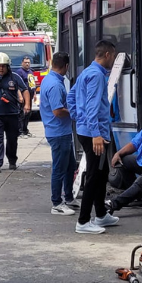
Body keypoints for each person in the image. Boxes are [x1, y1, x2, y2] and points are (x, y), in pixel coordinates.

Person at [67, 39, 119, 235]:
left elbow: (71, 97)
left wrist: (77, 117)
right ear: (107, 55)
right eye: (113, 56)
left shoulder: (86, 73)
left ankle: (101, 214)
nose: (113, 60)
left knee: (102, 171)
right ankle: (83, 221)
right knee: (94, 176)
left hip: (86, 130)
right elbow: (92, 107)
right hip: (93, 134)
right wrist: (96, 134)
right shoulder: (97, 75)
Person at [39, 52, 79, 215]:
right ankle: (57, 203)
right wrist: (75, 113)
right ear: (66, 66)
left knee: (70, 166)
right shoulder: (55, 85)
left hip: (61, 131)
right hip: (58, 132)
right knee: (59, 168)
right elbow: (57, 111)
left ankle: (69, 197)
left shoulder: (50, 80)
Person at [13, 56, 36, 137]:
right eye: (25, 62)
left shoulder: (30, 72)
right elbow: (17, 86)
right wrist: (20, 96)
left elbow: (32, 84)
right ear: (22, 63)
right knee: (21, 114)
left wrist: (35, 94)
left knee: (28, 114)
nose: (27, 64)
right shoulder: (19, 72)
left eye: (28, 62)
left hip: (30, 96)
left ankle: (25, 130)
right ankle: (20, 131)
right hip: (23, 97)